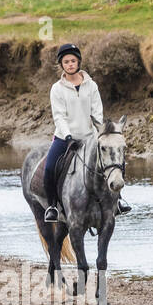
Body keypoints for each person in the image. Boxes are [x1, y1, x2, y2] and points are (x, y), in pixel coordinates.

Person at [44, 42, 130, 222]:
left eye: (73, 61)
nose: (70, 64)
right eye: (66, 61)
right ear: (61, 64)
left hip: (90, 136)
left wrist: (95, 134)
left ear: (78, 62)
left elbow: (97, 112)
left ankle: (119, 200)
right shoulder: (56, 89)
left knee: (114, 160)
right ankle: (52, 207)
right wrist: (68, 137)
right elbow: (59, 117)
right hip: (65, 138)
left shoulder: (92, 86)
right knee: (50, 167)